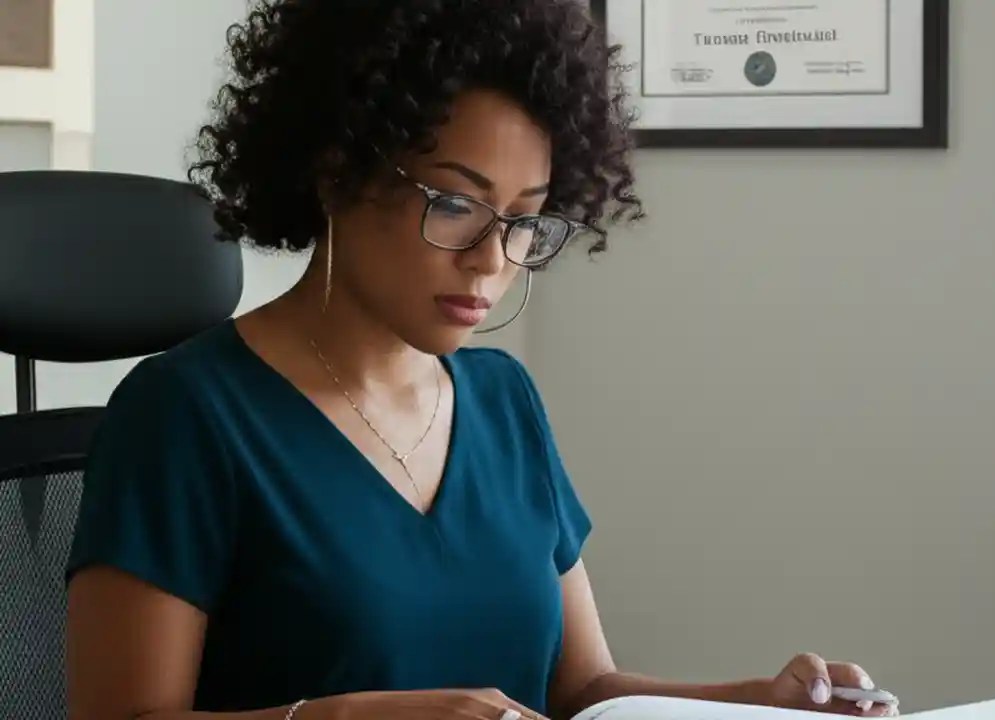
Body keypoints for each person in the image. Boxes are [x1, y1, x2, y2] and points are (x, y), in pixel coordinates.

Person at [64, 2, 897, 719]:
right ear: (335, 172)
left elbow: (582, 691)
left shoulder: (503, 400)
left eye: (526, 219)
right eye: (456, 204)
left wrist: (751, 703)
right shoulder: (186, 414)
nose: (494, 258)